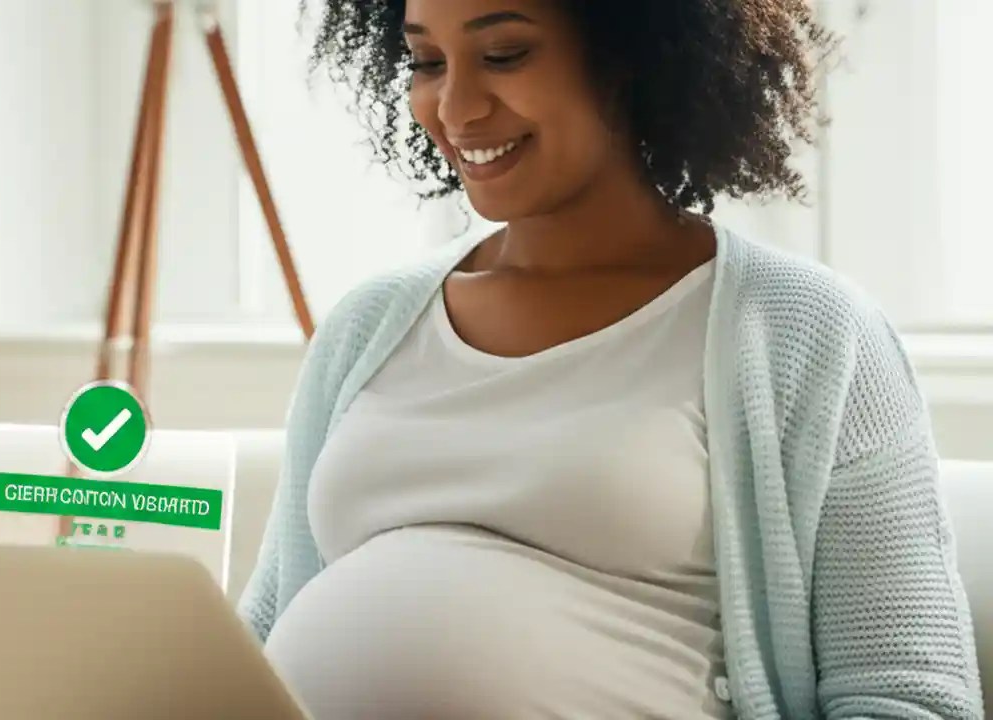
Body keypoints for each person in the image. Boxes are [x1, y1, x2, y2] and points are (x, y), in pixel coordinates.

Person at [238, 0, 985, 717]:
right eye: (427, 60)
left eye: (504, 54)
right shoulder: (367, 325)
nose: (455, 107)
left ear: (626, 54)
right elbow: (259, 635)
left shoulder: (803, 329)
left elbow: (910, 698)